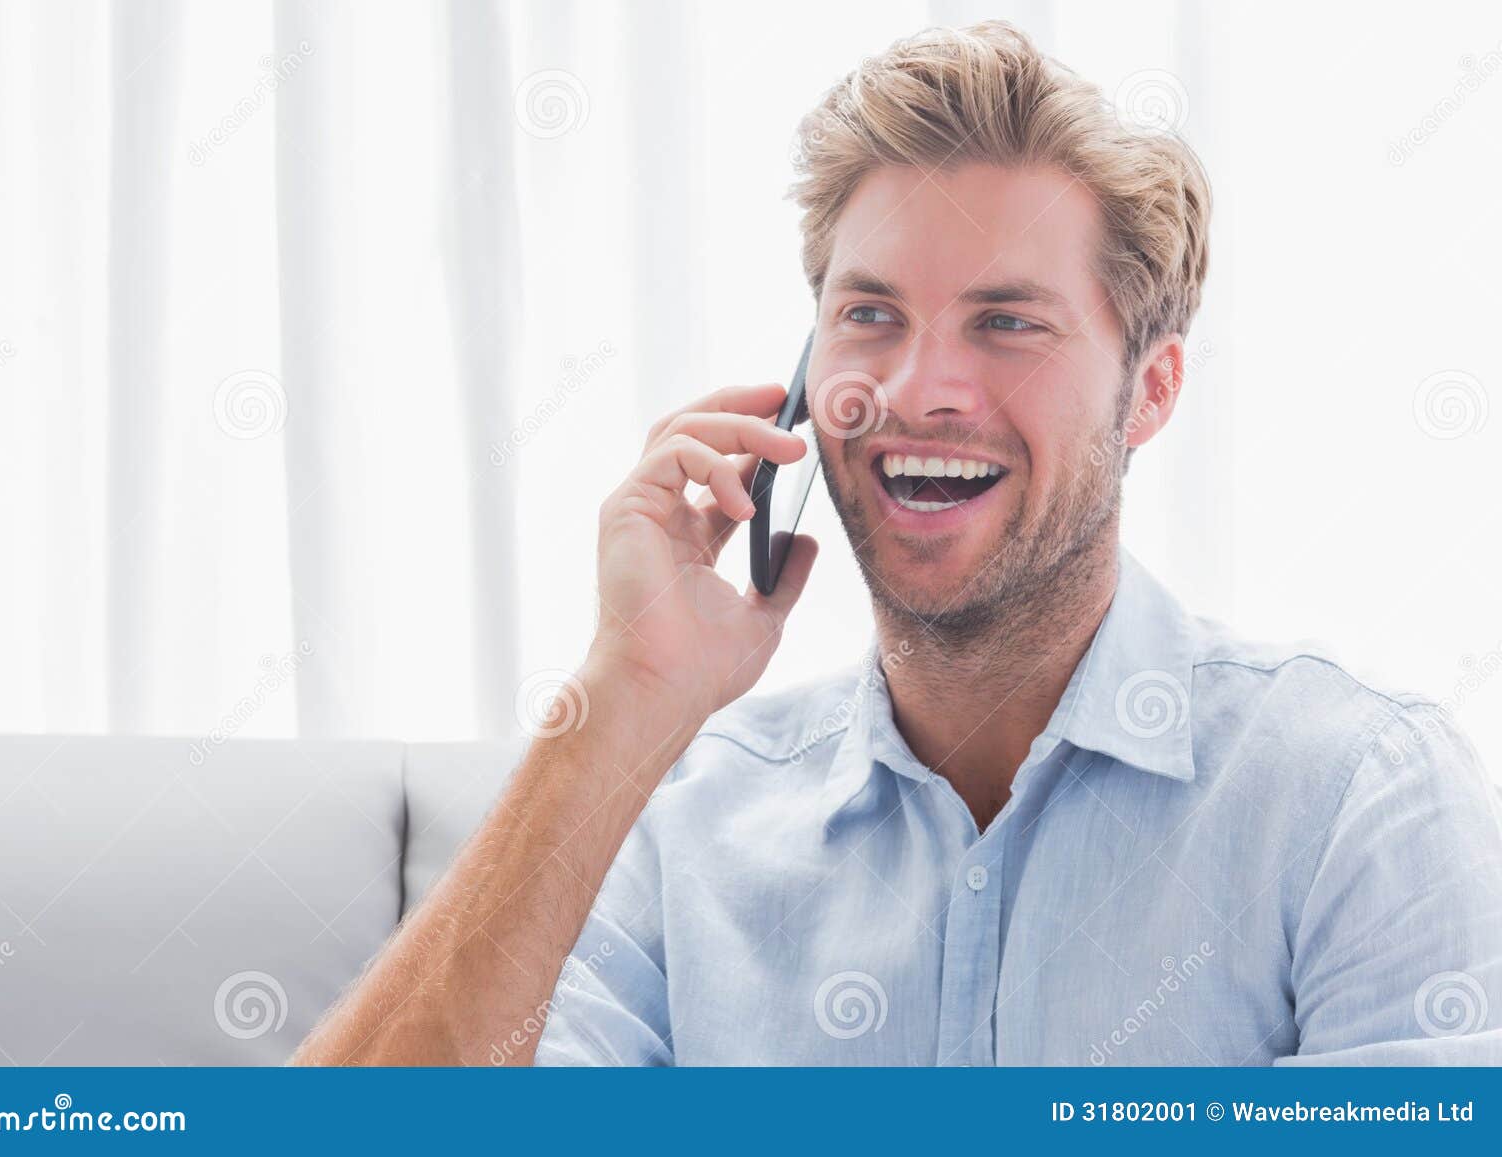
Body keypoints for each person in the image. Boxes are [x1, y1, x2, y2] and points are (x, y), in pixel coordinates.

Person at [294, 21, 1502, 1066]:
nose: (918, 387)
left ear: (1150, 390)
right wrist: (621, 703)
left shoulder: (1354, 797)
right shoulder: (680, 826)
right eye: (870, 315)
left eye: (1007, 321)